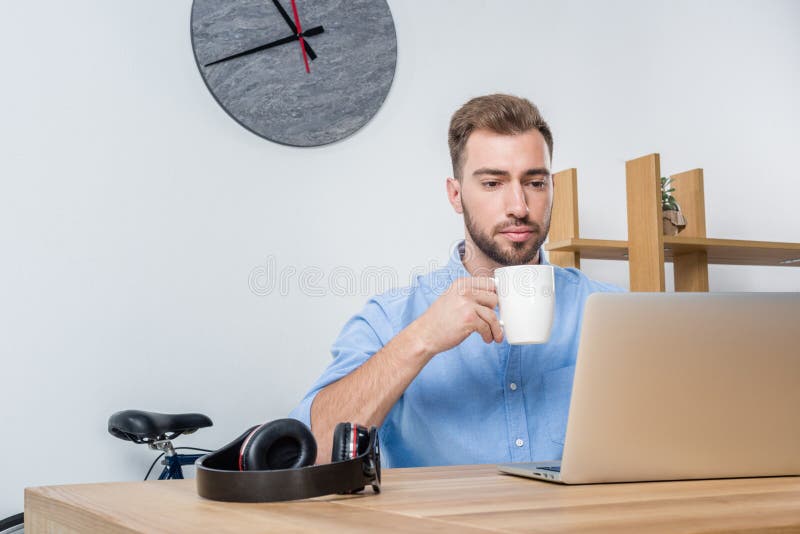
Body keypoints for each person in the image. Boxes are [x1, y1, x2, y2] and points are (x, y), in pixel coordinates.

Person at [289, 94, 624, 467]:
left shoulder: (613, 312)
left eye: (534, 182)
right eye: (493, 183)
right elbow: (313, 450)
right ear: (455, 194)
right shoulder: (391, 317)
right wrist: (421, 339)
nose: (519, 206)